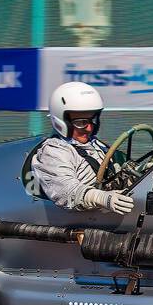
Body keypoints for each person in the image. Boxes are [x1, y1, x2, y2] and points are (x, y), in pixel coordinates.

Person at [32, 82, 134, 214]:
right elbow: (65, 190)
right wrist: (100, 197)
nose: (90, 128)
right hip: (86, 220)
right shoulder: (54, 151)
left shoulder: (94, 144)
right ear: (62, 122)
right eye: (81, 122)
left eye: (93, 120)